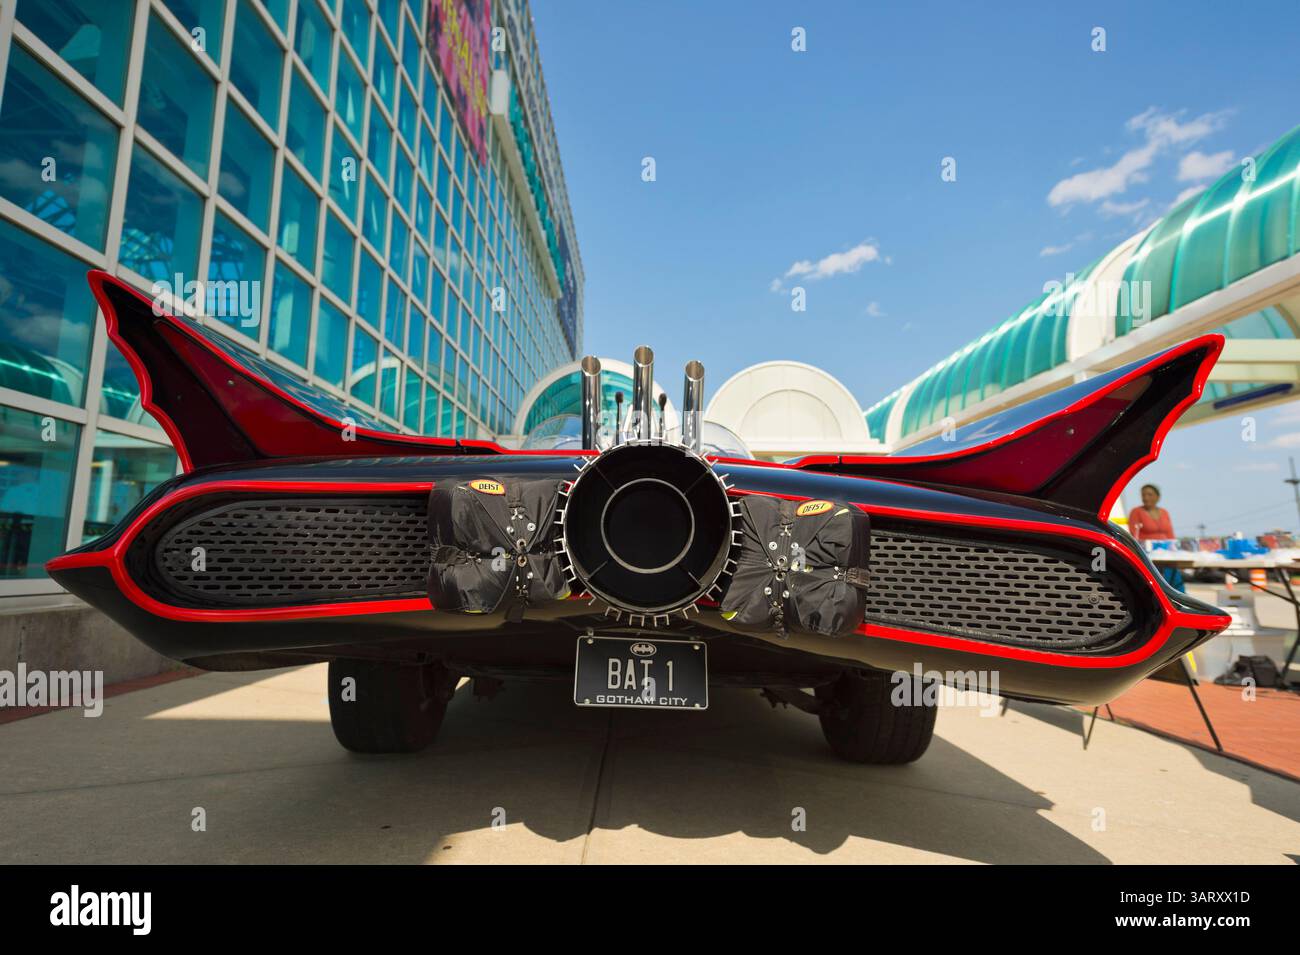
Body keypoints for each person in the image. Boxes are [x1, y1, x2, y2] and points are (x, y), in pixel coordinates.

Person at [1127, 483, 1183, 591]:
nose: (1146, 498)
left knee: (1174, 573)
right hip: (1148, 554)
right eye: (1143, 495)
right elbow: (1134, 535)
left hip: (1167, 554)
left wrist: (1176, 552)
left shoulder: (1164, 512)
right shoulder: (1136, 512)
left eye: (1149, 494)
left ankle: (1178, 600)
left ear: (1158, 497)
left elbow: (1171, 535)